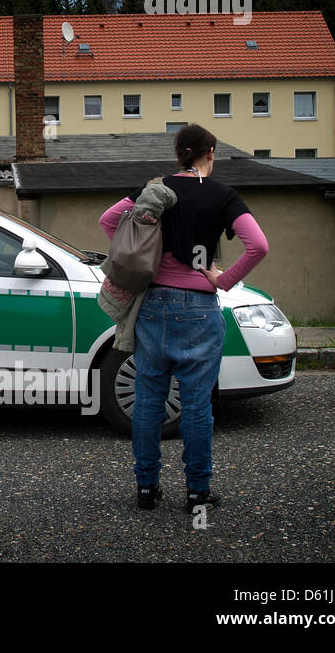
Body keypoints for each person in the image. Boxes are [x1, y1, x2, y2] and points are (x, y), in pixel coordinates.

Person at [98, 124, 268, 513]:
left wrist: (147, 254)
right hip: (198, 308)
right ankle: (197, 492)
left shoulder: (153, 191)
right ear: (210, 151)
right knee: (195, 404)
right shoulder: (223, 195)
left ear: (179, 154)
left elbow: (109, 222)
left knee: (148, 400)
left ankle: (146, 489)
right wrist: (223, 280)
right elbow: (258, 245)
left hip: (153, 305)